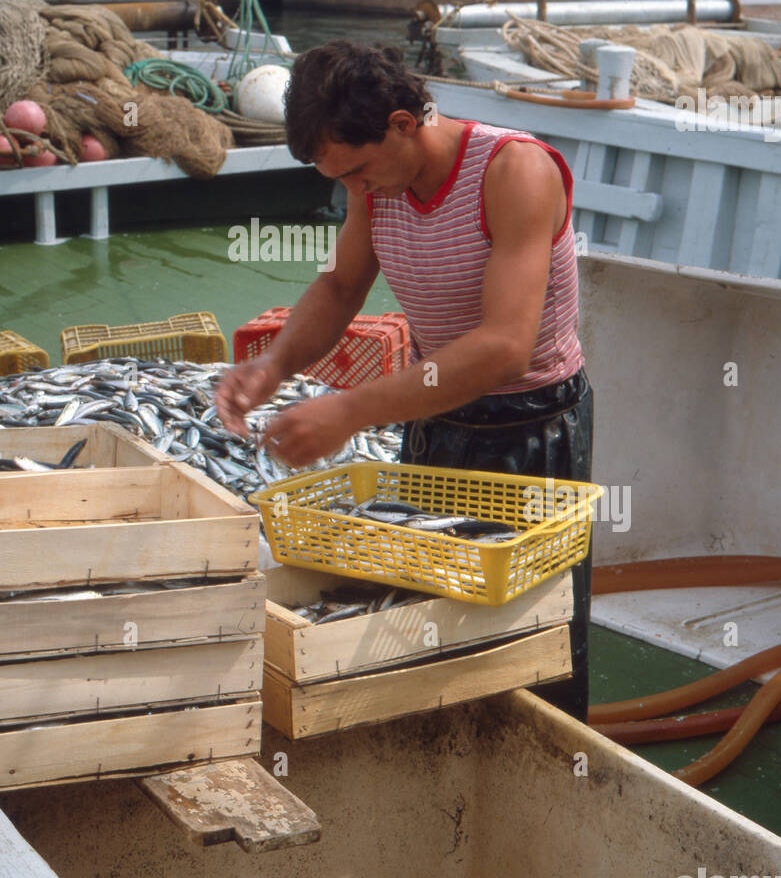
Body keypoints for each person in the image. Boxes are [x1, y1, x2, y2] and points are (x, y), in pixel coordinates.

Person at [215, 41, 595, 721]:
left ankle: (554, 761)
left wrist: (351, 411)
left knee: (530, 641)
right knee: (431, 621)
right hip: (437, 414)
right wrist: (269, 367)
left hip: (531, 424)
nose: (355, 192)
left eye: (358, 172)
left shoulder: (515, 171)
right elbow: (339, 286)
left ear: (401, 122)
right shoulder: (379, 185)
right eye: (342, 181)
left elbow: (505, 347)